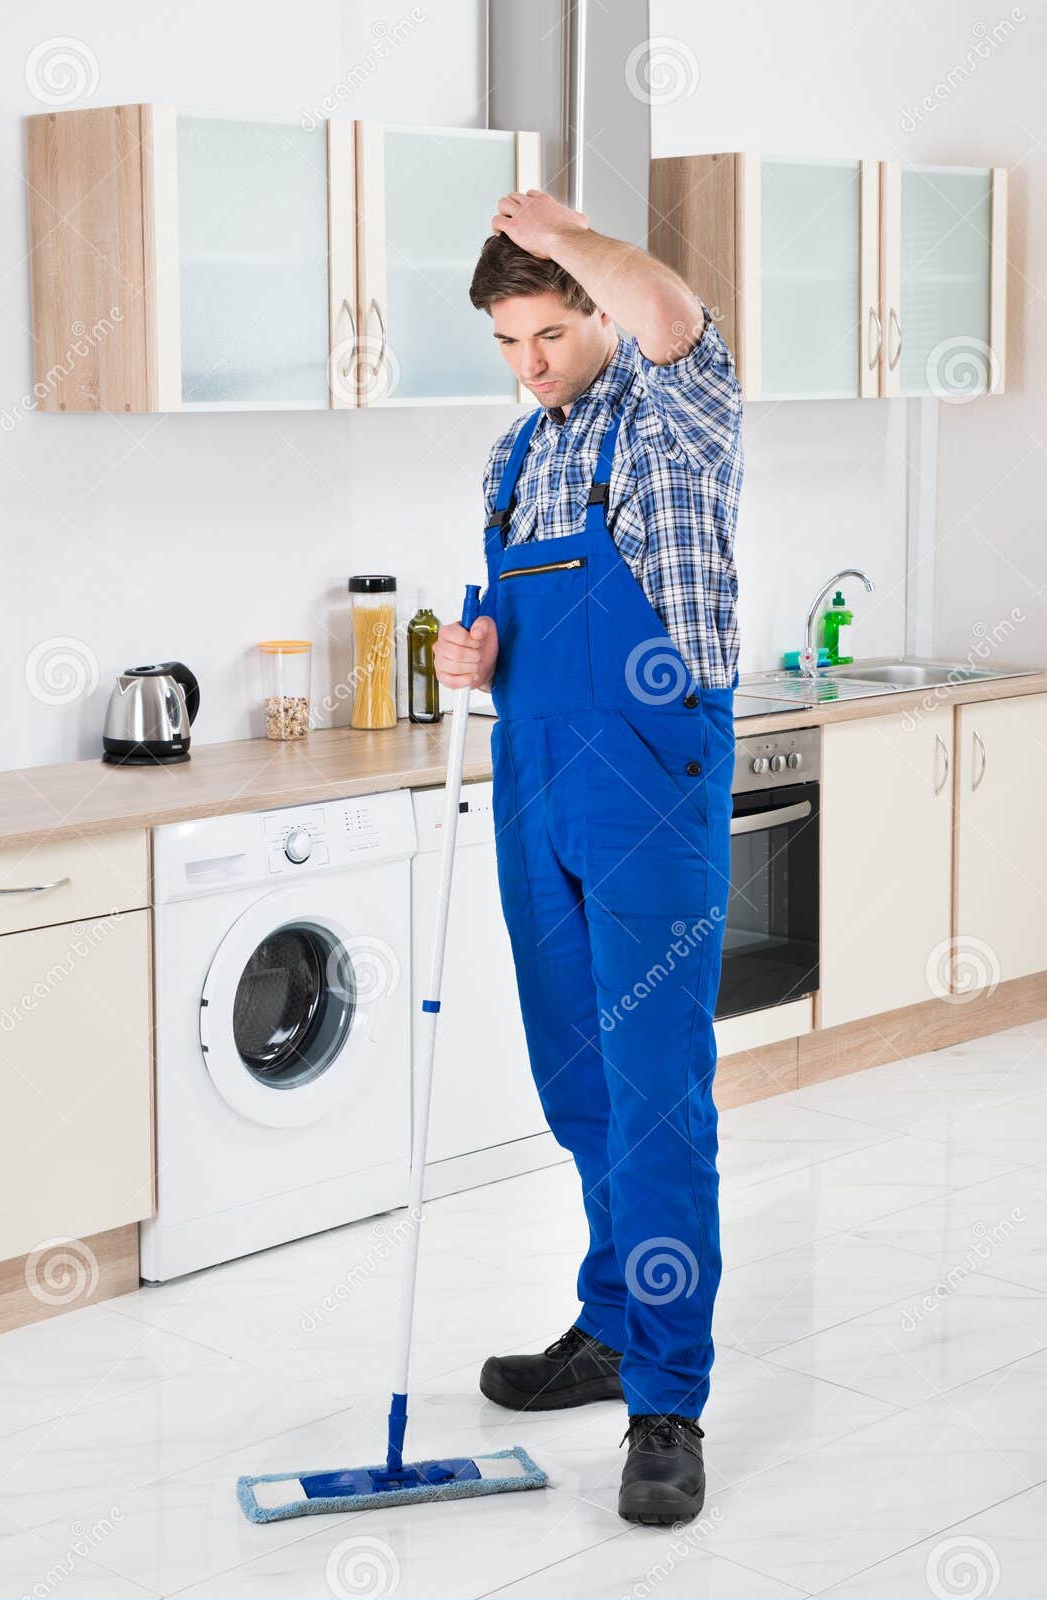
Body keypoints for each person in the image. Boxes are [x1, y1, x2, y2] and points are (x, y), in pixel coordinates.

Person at [433, 188, 744, 1526]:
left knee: (657, 1092)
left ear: (594, 306)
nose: (530, 362)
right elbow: (512, 621)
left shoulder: (677, 417)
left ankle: (666, 1399)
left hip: (648, 783)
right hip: (535, 780)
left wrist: (573, 236)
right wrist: (474, 658)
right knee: (580, 1083)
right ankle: (613, 1319)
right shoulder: (511, 460)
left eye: (548, 330)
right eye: (508, 340)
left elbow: (674, 314)